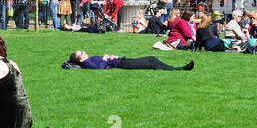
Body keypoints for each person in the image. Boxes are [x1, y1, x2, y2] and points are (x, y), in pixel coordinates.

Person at [64, 50, 193, 71]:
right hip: (122, 64)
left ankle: (178, 68)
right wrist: (105, 59)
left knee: (151, 59)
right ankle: (179, 69)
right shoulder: (86, 62)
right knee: (152, 61)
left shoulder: (88, 60)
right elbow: (98, 70)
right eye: (81, 52)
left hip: (119, 60)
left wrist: (110, 57)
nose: (84, 51)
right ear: (80, 59)